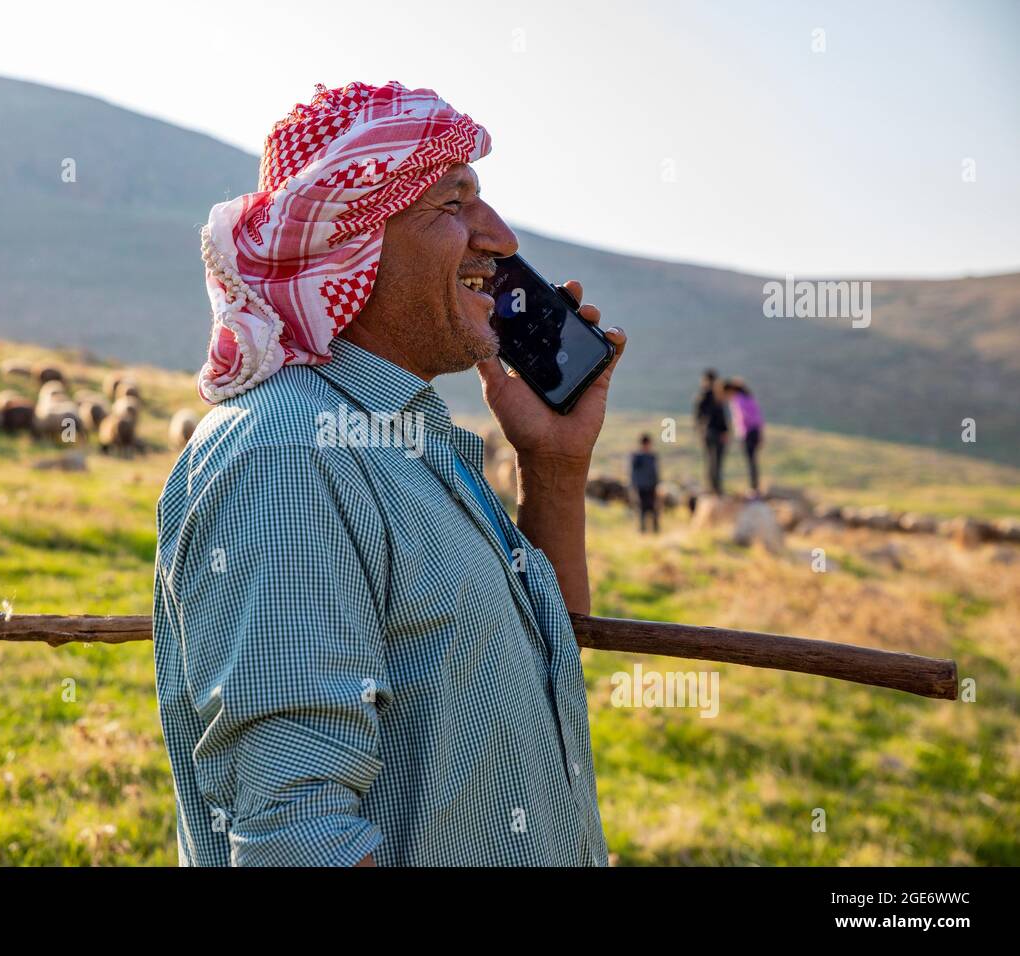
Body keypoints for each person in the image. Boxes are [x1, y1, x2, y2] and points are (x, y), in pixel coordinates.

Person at [153, 82, 625, 867]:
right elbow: (296, 841)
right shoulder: (290, 458)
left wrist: (555, 465)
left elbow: (549, 665)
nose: (503, 237)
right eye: (453, 203)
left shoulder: (410, 442)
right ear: (352, 240)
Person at [724, 377, 764, 494]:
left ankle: (753, 487)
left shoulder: (738, 400)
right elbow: (758, 417)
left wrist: (740, 431)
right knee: (753, 460)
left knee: (750, 460)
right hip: (755, 431)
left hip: (747, 432)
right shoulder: (748, 397)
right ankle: (755, 485)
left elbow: (742, 417)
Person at [693, 368, 728, 495]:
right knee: (716, 461)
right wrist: (724, 430)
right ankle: (716, 488)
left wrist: (700, 429)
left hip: (706, 432)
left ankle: (712, 487)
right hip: (716, 432)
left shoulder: (701, 395)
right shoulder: (715, 395)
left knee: (709, 460)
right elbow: (720, 415)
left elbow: (697, 416)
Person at [629, 433, 660, 533]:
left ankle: (655, 531)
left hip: (651, 487)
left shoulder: (652, 456)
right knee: (642, 510)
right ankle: (642, 531)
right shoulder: (637, 457)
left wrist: (657, 485)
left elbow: (655, 472)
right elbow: (633, 474)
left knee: (654, 510)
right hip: (641, 488)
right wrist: (634, 487)